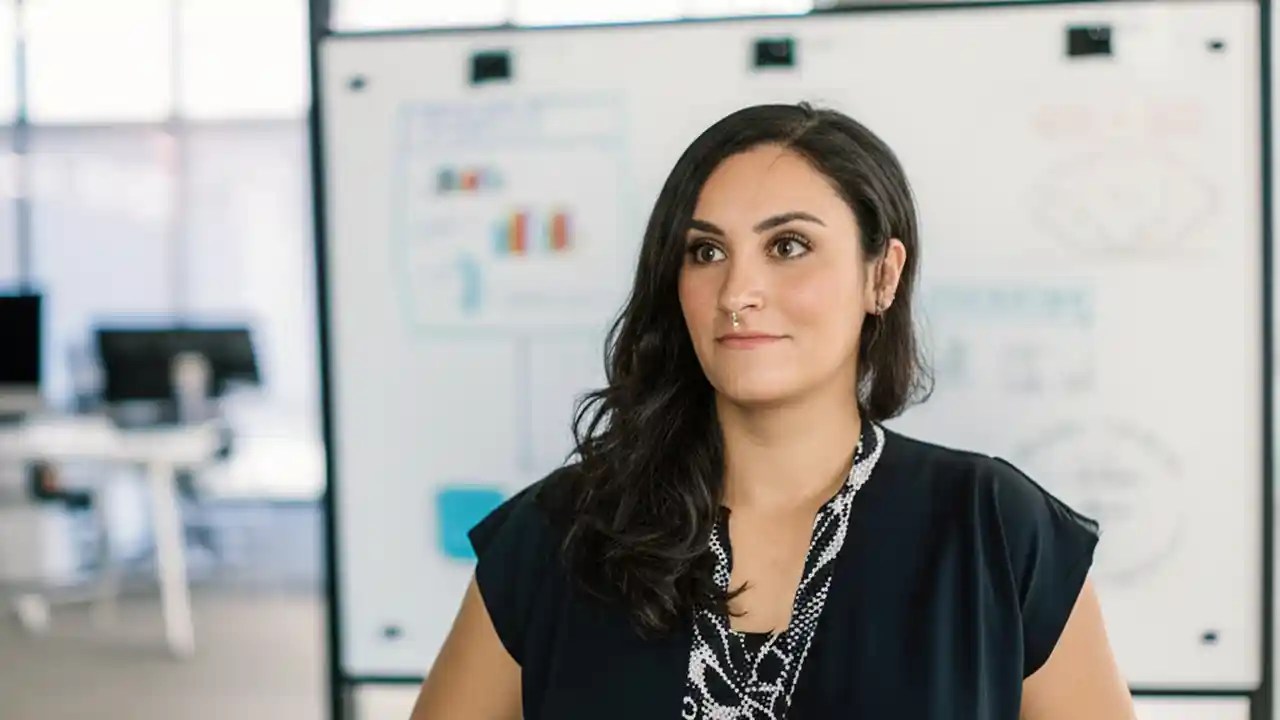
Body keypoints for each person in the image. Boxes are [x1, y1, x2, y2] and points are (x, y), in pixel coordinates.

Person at [411, 103, 1134, 719]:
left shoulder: (994, 531)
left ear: (882, 274)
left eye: (789, 246)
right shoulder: (557, 536)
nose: (737, 291)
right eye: (705, 252)